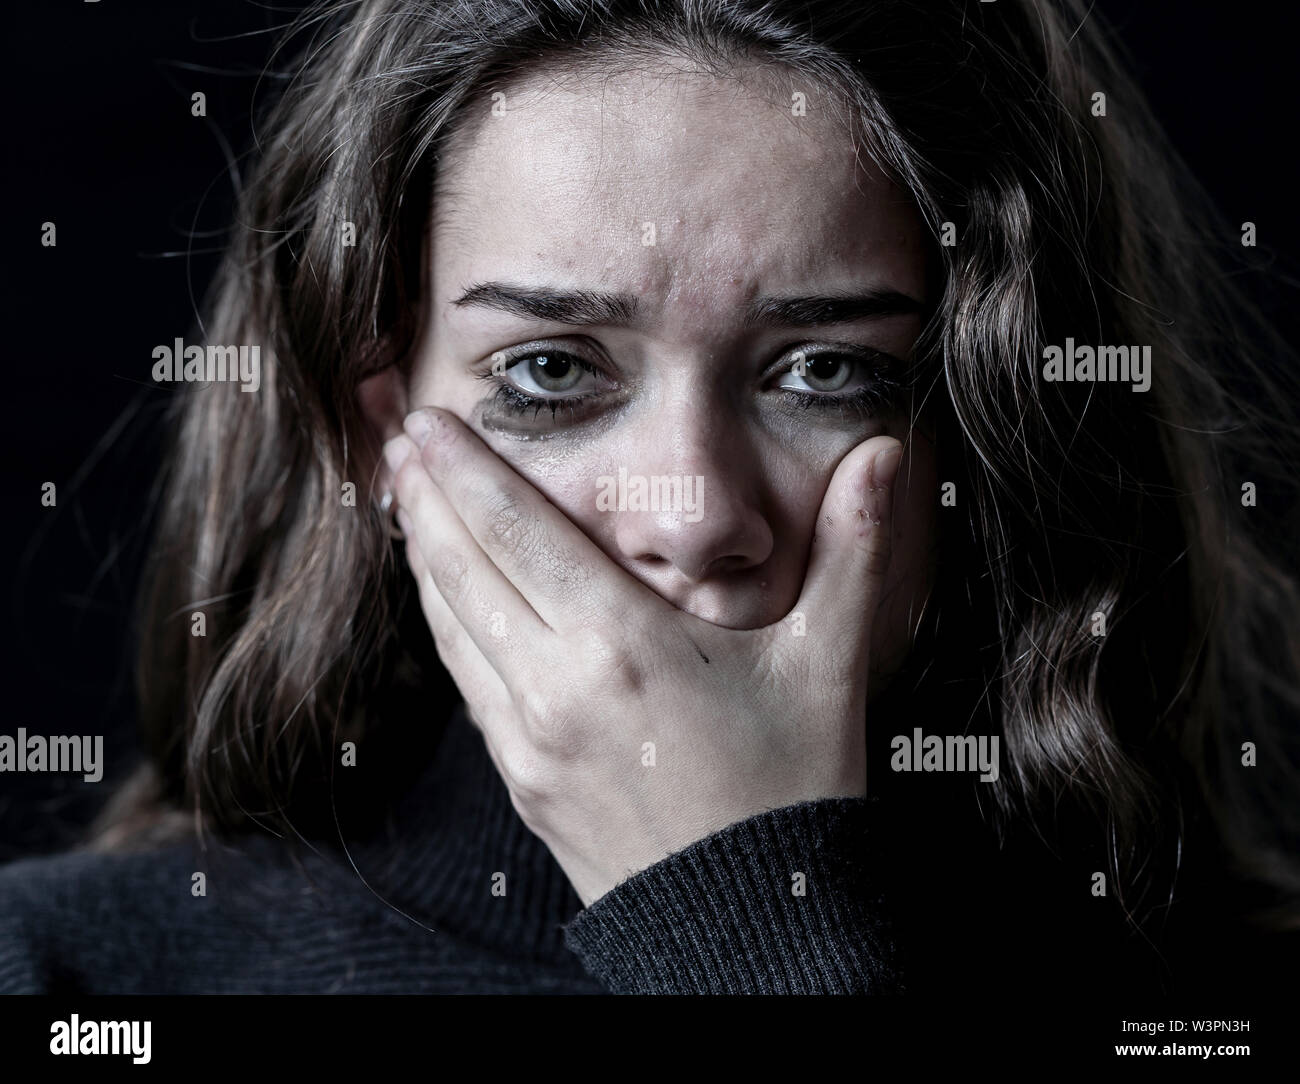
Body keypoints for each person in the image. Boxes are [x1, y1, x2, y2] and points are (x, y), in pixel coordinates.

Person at [2, 0, 1296, 996]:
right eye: (553, 372)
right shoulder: (69, 978)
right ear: (379, 433)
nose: (693, 516)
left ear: (978, 420)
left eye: (826, 370)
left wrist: (751, 924)